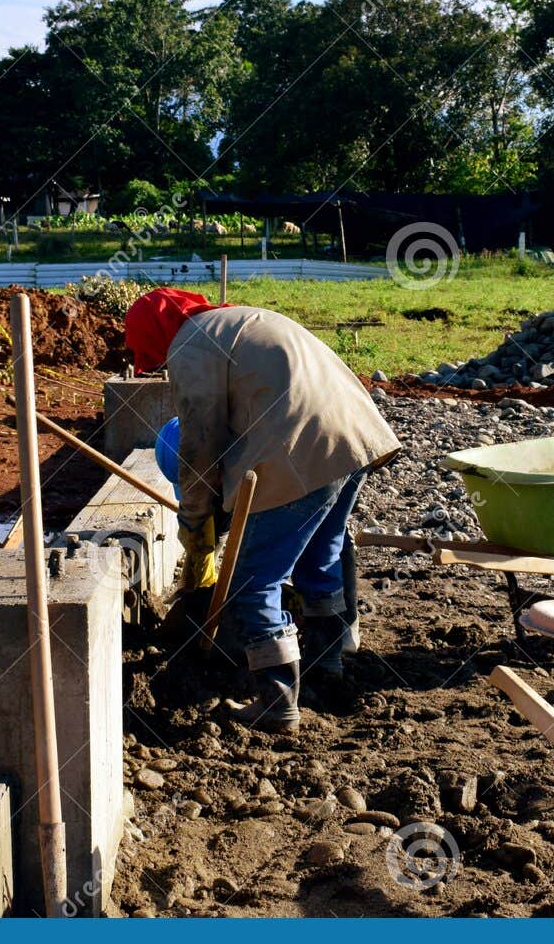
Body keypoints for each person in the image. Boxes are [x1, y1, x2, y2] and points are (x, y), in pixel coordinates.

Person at [125, 287, 400, 731]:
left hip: (302, 449)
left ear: (153, 335)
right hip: (355, 437)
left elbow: (199, 448)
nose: (158, 366)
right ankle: (327, 662)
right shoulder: (242, 320)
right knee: (320, 555)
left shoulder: (190, 345)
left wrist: (196, 522)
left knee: (253, 582)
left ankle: (276, 700)